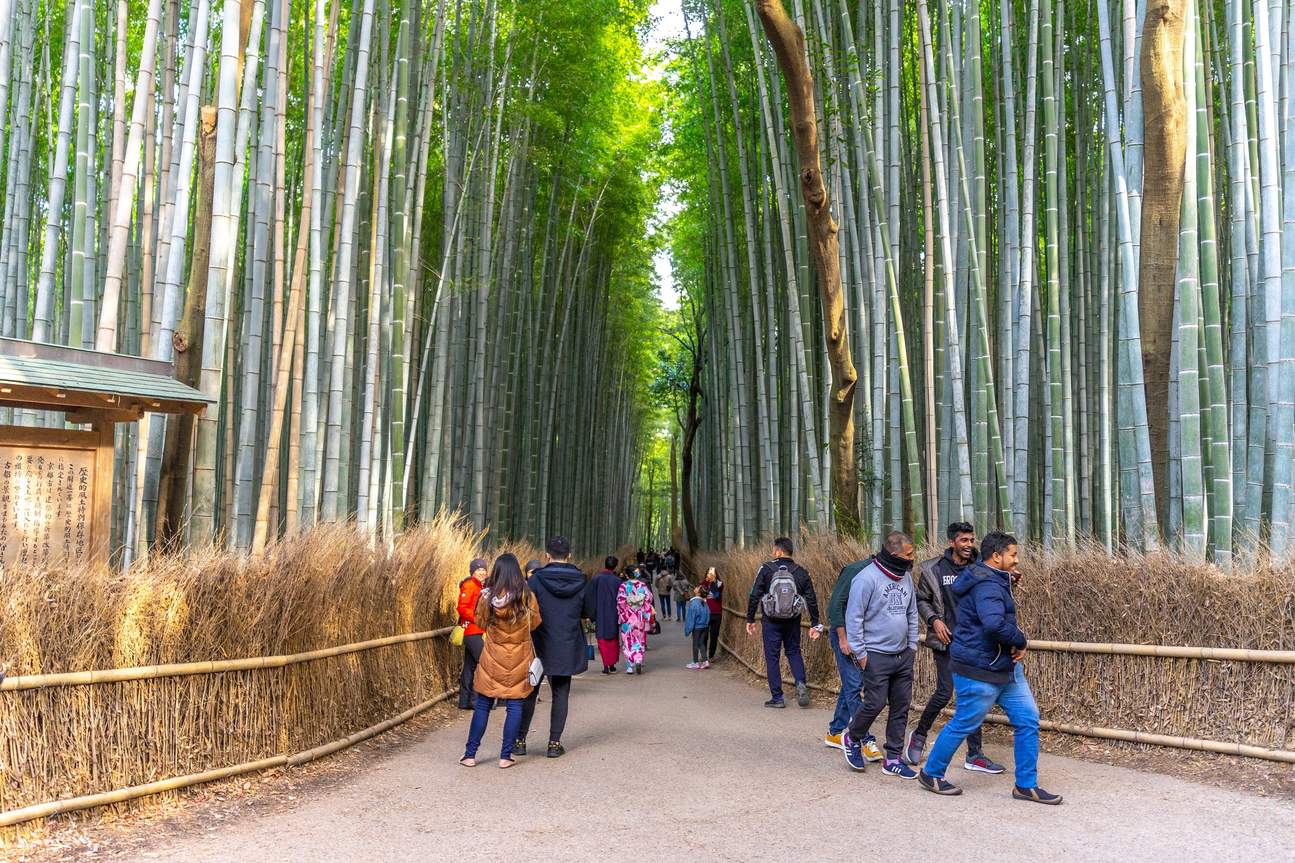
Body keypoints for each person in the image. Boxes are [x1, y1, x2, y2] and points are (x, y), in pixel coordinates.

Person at [918, 531, 1061, 804]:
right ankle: (931, 773)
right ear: (996, 557)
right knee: (965, 722)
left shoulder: (991, 578)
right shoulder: (987, 584)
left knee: (1028, 719)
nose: (1017, 560)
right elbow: (993, 624)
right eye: (1013, 555)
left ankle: (1026, 785)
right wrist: (1020, 640)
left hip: (1004, 667)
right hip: (979, 668)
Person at [905, 522, 1004, 774]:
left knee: (973, 695)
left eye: (971, 540)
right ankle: (919, 734)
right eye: (964, 540)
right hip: (946, 642)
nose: (969, 545)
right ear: (952, 542)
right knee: (944, 692)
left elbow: (997, 592)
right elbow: (921, 599)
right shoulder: (933, 569)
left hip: (974, 643)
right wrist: (934, 621)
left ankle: (974, 754)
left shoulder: (981, 566)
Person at [841, 531, 919, 779]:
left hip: (902, 654)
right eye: (909, 554)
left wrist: (912, 646)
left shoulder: (906, 577)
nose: (913, 558)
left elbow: (912, 612)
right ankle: (852, 737)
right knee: (875, 703)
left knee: (901, 706)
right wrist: (861, 654)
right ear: (895, 554)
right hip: (875, 654)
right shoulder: (866, 579)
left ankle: (893, 758)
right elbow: (853, 618)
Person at [460, 554, 541, 769]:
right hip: (520, 658)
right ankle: (505, 756)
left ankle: (470, 755)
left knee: (483, 705)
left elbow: (479, 622)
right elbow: (535, 623)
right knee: (515, 705)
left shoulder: (487, 597)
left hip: (493, 658)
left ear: (495, 572)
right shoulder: (527, 596)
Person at [517, 536, 594, 759]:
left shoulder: (535, 580)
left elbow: (525, 610)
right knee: (561, 694)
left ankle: (519, 742)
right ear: (569, 556)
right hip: (566, 644)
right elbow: (588, 611)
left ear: (547, 555)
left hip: (539, 643)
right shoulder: (582, 580)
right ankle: (554, 743)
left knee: (530, 691)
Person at [745, 537, 822, 708]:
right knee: (793, 651)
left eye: (774, 550)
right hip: (792, 620)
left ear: (779, 551)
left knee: (772, 657)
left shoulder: (766, 569)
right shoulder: (801, 572)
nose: (772, 553)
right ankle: (800, 683)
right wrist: (815, 623)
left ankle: (777, 698)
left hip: (770, 621)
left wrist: (750, 618)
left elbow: (754, 594)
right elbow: (811, 598)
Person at [821, 558, 881, 762]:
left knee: (852, 684)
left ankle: (835, 731)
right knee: (854, 685)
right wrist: (842, 638)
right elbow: (834, 606)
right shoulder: (857, 570)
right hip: (845, 634)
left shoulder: (888, 575)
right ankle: (864, 738)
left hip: (864, 636)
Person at [456, 558, 489, 710]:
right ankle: (476, 700)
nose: (481, 572)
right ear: (472, 572)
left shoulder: (481, 586)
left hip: (476, 630)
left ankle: (464, 700)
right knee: (484, 662)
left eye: (483, 570)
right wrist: (477, 617)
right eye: (478, 570)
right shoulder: (470, 585)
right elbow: (462, 607)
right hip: (471, 630)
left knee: (469, 666)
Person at [618, 566, 656, 674]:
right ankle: (638, 659)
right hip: (639, 617)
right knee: (640, 640)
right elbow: (648, 599)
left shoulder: (623, 586)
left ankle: (629, 667)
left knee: (627, 641)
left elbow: (620, 603)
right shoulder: (642, 585)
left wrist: (625, 611)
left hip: (627, 618)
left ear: (626, 575)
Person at [590, 556, 623, 673]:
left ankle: (606, 665)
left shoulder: (596, 579)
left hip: (599, 613)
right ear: (615, 566)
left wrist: (591, 614)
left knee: (602, 639)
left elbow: (591, 597)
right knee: (613, 639)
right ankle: (612, 664)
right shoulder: (618, 581)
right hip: (614, 613)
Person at [684, 584, 711, 669]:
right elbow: (708, 614)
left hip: (697, 627)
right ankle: (705, 661)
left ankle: (695, 662)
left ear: (698, 593)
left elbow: (691, 617)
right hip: (705, 626)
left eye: (697, 588)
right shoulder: (704, 603)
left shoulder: (694, 603)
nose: (695, 588)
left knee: (695, 644)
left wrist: (688, 629)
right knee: (701, 643)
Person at [700, 567, 724, 661]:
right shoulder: (704, 584)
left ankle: (711, 656)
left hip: (717, 613)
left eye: (712, 573)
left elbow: (719, 591)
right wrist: (706, 581)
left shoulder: (719, 584)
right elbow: (701, 591)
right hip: (706, 613)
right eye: (709, 573)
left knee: (714, 636)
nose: (710, 575)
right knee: (704, 635)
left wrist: (713, 582)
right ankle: (704, 655)